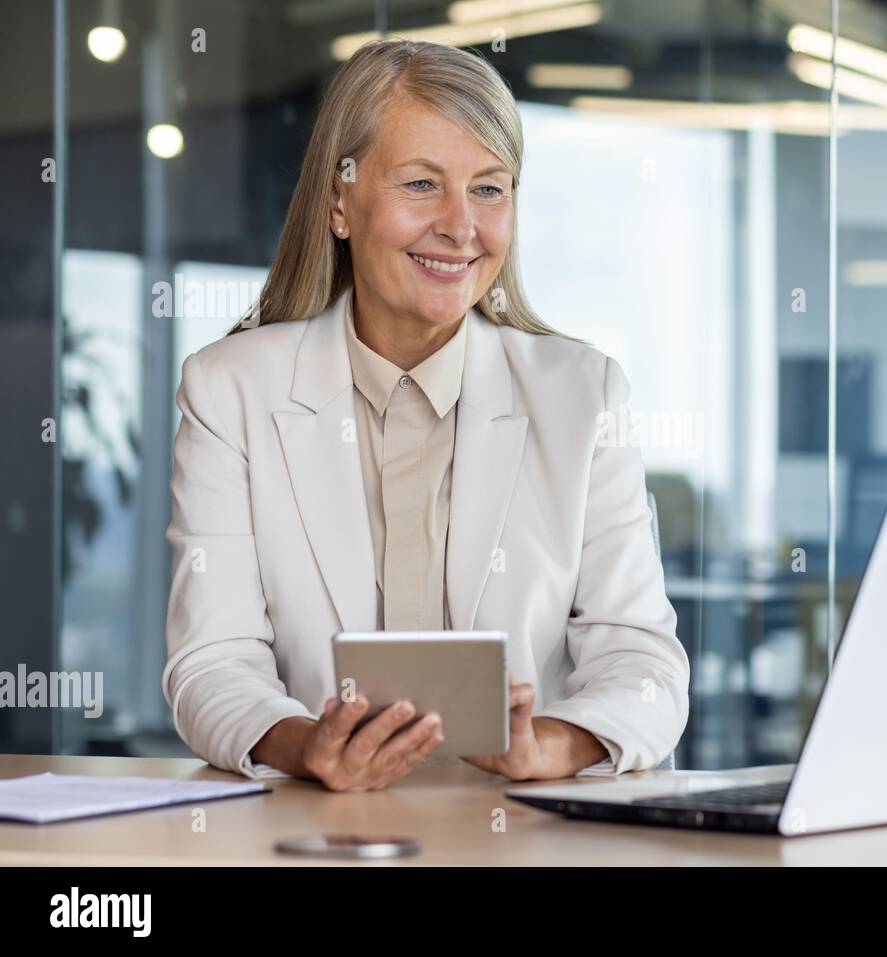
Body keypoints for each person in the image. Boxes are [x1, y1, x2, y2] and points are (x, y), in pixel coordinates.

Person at [161, 39, 689, 791]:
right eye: (421, 184)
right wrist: (307, 745)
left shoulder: (584, 394)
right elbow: (211, 662)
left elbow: (643, 664)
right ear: (340, 202)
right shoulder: (229, 390)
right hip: (316, 832)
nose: (461, 226)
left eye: (489, 189)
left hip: (524, 838)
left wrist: (549, 744)